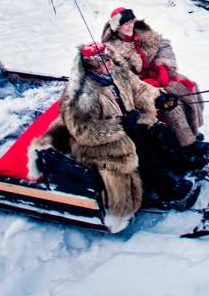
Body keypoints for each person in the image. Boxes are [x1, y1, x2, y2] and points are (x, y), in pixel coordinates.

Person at [31, 43, 199, 232]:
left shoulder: (118, 73)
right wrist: (120, 125)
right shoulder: (81, 95)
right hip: (97, 142)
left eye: (109, 60)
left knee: (157, 130)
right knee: (139, 149)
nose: (109, 65)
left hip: (128, 124)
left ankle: (176, 167)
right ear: (90, 67)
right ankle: (166, 193)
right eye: (102, 63)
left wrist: (158, 97)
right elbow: (84, 132)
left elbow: (140, 88)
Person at [101, 7, 209, 162]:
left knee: (188, 87)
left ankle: (191, 132)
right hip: (138, 87)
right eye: (125, 23)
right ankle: (186, 145)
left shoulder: (144, 34)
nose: (130, 26)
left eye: (131, 21)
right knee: (170, 104)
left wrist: (162, 67)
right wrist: (146, 83)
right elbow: (123, 77)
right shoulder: (111, 49)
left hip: (157, 76)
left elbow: (164, 46)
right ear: (116, 27)